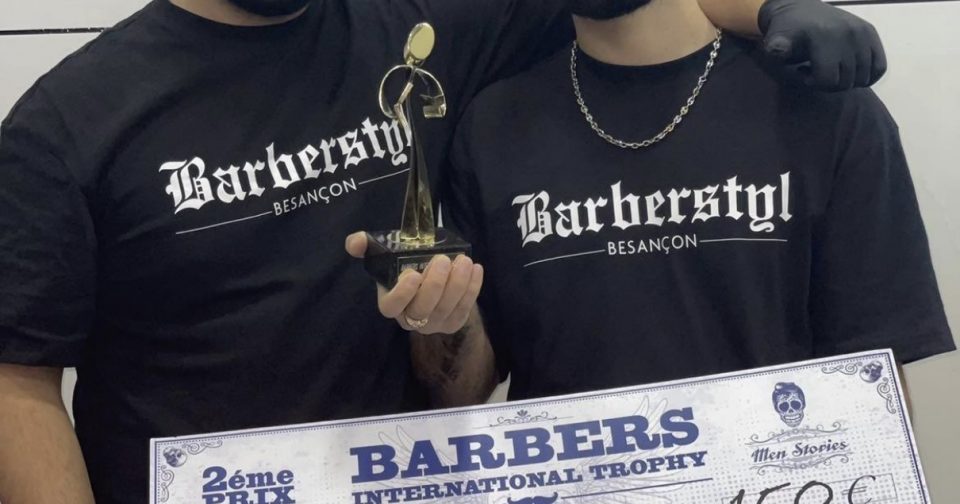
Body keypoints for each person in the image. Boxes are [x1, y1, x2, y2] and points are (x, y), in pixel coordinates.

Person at [0, 0, 887, 502]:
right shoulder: (68, 122)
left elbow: (618, 7)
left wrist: (765, 10)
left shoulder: (420, 30)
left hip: (416, 484)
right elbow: (17, 384)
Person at [430, 0, 955, 402]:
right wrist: (440, 319)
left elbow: (873, 376)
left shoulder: (824, 111)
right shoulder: (493, 128)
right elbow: (468, 386)